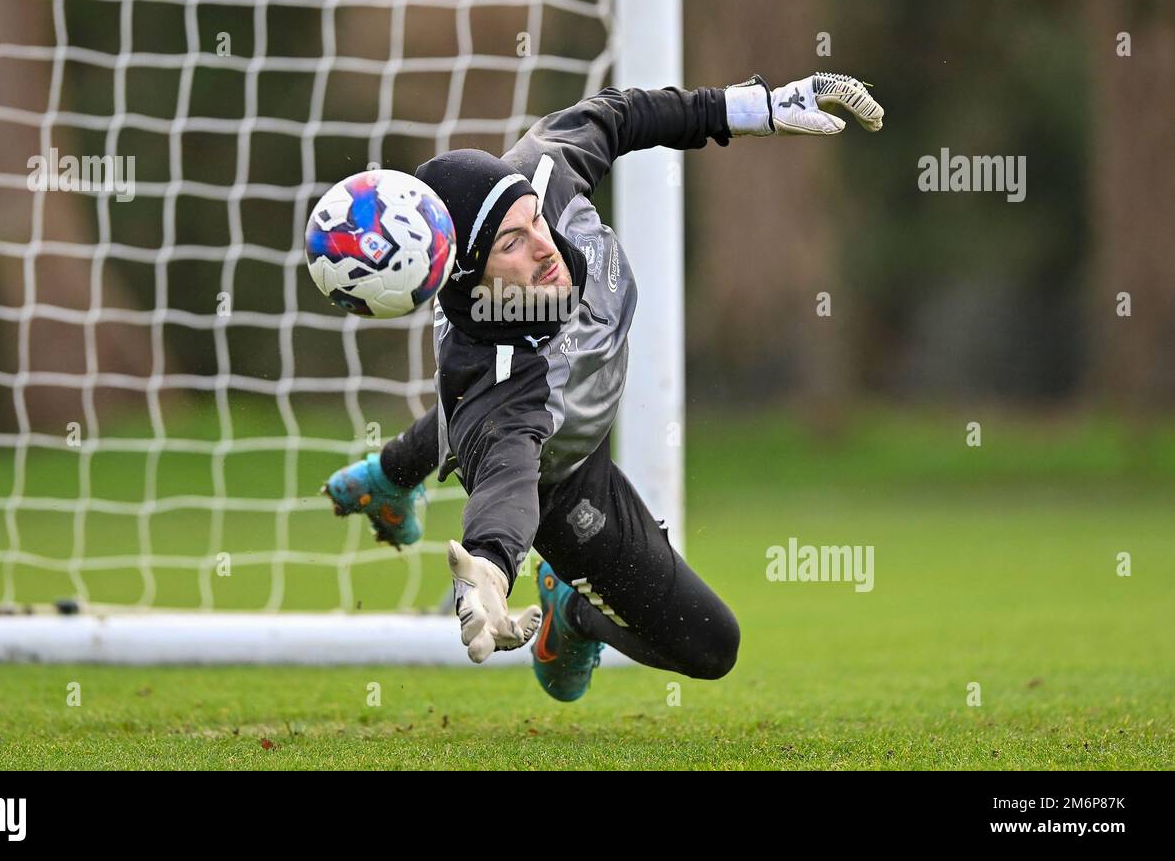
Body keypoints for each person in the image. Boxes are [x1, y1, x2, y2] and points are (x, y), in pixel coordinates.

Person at [323, 73, 884, 700]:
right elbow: (507, 477)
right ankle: (572, 610)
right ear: (471, 279)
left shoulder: (543, 172)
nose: (544, 247)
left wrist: (759, 107)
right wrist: (488, 567)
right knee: (712, 648)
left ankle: (389, 476)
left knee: (528, 402)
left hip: (571, 397)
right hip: (564, 478)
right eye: (512, 244)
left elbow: (622, 114)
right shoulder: (499, 379)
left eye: (533, 221)